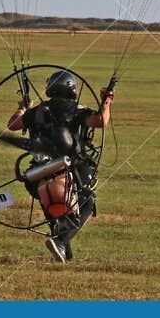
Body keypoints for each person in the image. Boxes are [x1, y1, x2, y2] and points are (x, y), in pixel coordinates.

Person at [7, 69, 114, 262]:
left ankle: (62, 247)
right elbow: (101, 121)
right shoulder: (76, 110)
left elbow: (13, 125)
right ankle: (62, 242)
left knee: (52, 205)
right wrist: (107, 101)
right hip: (69, 170)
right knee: (87, 203)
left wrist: (23, 108)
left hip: (37, 173)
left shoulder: (38, 111)